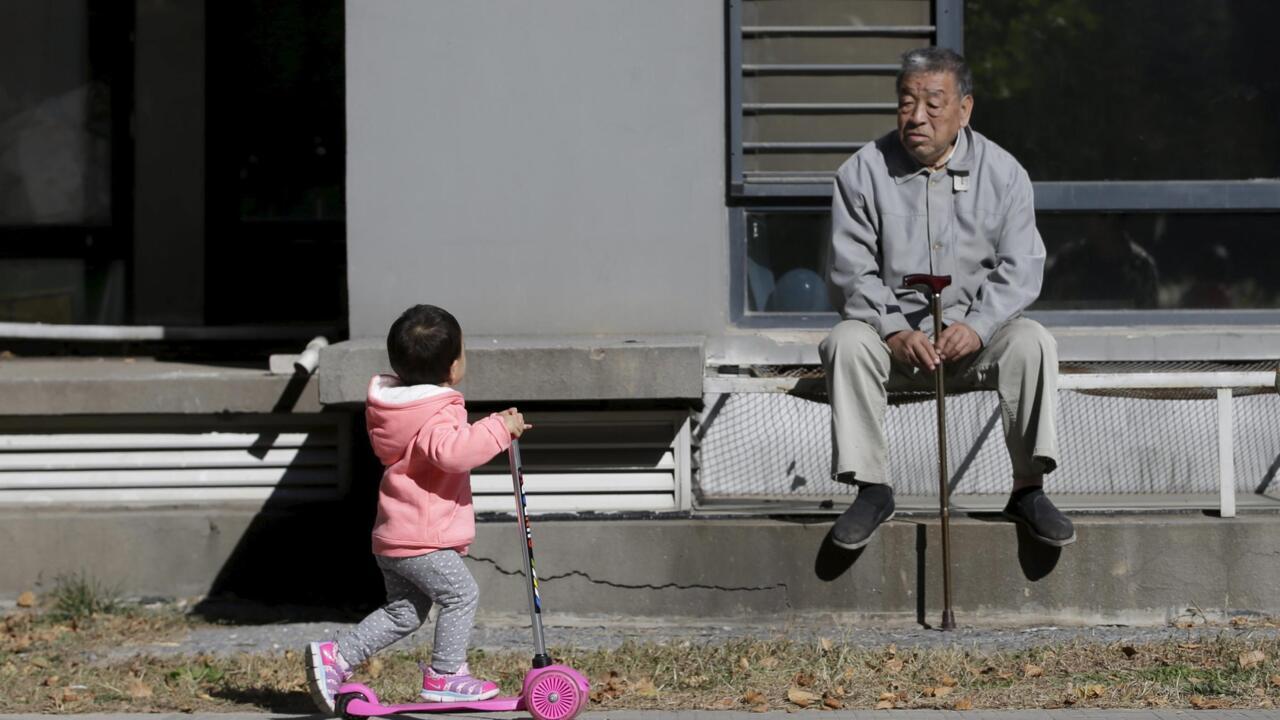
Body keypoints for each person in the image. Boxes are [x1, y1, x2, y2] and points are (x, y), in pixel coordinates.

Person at [820, 47, 1075, 552]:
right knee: (845, 341)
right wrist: (893, 329)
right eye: (906, 102)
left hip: (974, 342)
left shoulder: (1005, 174)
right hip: (895, 344)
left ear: (965, 109)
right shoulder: (861, 173)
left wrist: (978, 325)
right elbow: (850, 271)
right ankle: (872, 489)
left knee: (1032, 341)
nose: (916, 117)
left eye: (933, 104)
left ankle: (1028, 489)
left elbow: (1021, 268)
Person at [305, 304, 531, 713]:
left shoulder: (399, 409)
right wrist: (499, 428)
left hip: (396, 532)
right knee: (462, 595)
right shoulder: (437, 411)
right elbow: (452, 453)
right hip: (422, 538)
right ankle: (445, 675)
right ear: (455, 364)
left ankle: (334, 657)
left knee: (404, 613)